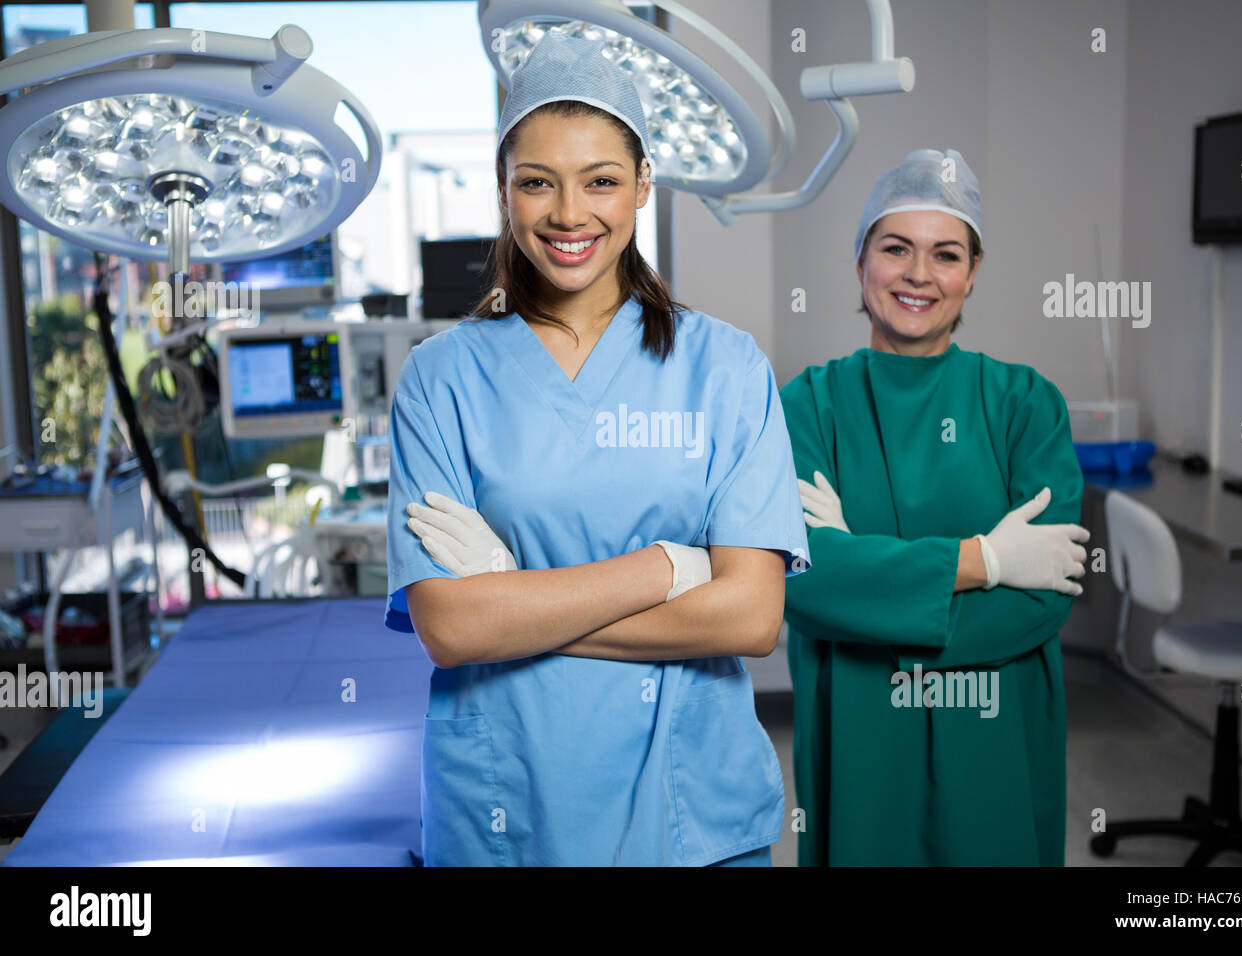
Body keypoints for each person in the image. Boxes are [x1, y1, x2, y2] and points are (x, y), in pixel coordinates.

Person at [383, 30, 809, 867]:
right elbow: (452, 628)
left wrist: (515, 601)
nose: (569, 214)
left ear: (644, 183)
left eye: (602, 181)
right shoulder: (441, 379)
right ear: (504, 190)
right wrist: (665, 568)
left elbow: (752, 617)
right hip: (509, 809)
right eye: (537, 182)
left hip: (693, 815)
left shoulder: (724, 368)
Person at [779, 148, 1089, 865]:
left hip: (994, 725)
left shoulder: (1025, 405)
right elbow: (800, 580)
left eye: (946, 254)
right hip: (859, 735)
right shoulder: (808, 406)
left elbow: (1044, 599)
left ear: (972, 273)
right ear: (861, 262)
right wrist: (987, 561)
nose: (920, 274)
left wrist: (866, 586)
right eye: (896, 249)